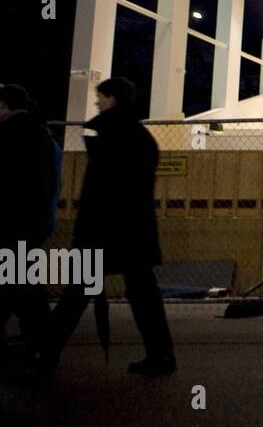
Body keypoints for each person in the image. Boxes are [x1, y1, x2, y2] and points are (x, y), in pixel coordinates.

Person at [40, 78, 176, 375]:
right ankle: (160, 354)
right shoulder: (141, 137)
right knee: (143, 294)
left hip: (103, 227)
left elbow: (98, 191)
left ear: (112, 98)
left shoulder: (109, 135)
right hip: (134, 229)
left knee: (77, 293)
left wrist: (84, 230)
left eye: (100, 96)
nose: (97, 102)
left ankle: (47, 351)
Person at [0, 84, 58, 358]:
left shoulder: (9, 135)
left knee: (18, 283)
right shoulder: (42, 135)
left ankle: (43, 339)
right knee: (17, 280)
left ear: (4, 106)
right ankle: (41, 339)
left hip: (13, 221)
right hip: (33, 220)